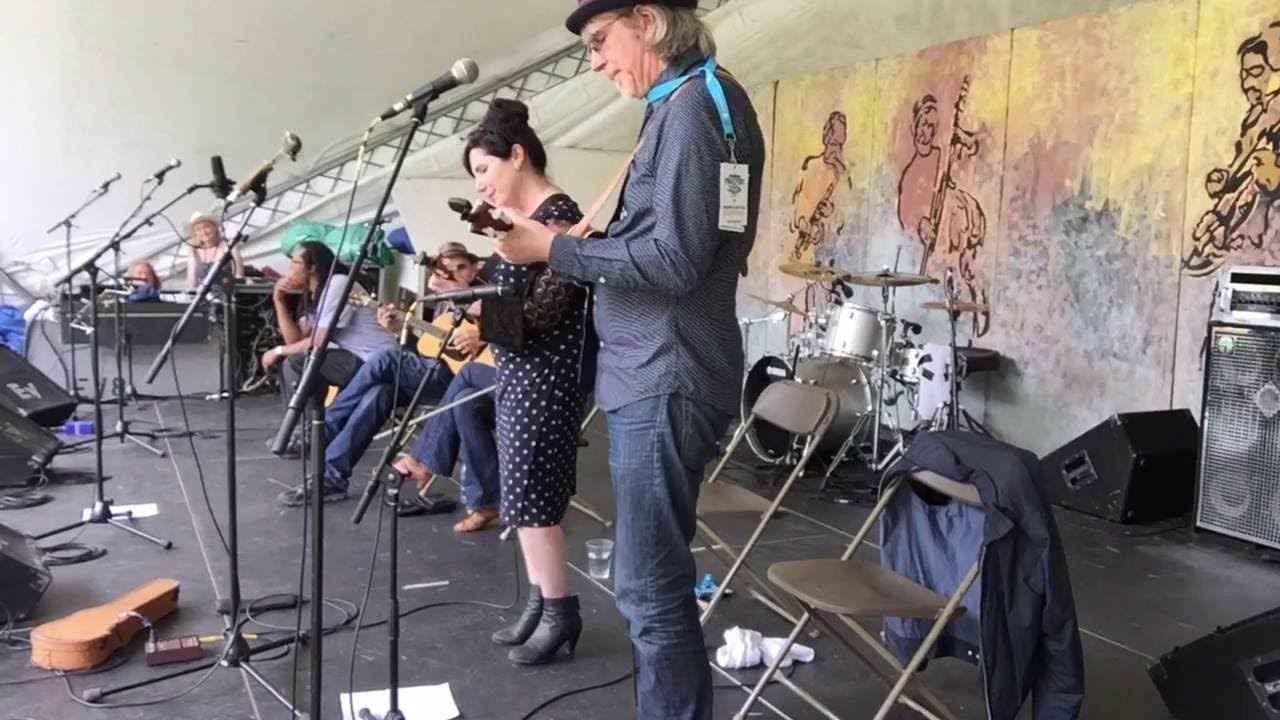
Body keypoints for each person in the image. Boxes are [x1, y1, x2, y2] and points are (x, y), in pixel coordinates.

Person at [494, 3, 765, 716]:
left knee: (649, 589)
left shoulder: (692, 111)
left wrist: (554, 248)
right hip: (657, 371)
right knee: (652, 582)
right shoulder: (692, 101)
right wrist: (587, 243)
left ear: (645, 19)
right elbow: (684, 242)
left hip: (664, 374)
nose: (594, 60)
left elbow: (675, 261)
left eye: (598, 41)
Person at [462, 98, 593, 666]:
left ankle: (561, 611)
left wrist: (483, 314)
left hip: (549, 374)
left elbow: (544, 312)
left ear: (517, 157)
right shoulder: (518, 226)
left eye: (484, 171)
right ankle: (542, 601)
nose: (481, 185)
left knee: (534, 498)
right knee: (518, 494)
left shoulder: (561, 219)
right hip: (518, 371)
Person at [280, 243, 485, 507]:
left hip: (464, 382)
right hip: (434, 373)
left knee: (386, 358)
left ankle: (326, 427)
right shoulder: (443, 301)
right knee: (379, 393)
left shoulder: (487, 298)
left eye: (462, 267)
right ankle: (330, 478)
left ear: (475, 268)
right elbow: (435, 346)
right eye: (448, 269)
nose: (455, 273)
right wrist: (400, 327)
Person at [263, 241, 396, 464]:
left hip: (375, 361)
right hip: (355, 358)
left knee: (298, 362)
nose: (289, 268)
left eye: (294, 262)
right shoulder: (318, 292)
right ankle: (308, 432)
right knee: (298, 361)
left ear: (312, 267)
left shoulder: (338, 284)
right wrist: (279, 302)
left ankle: (307, 434)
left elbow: (317, 341)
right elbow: (296, 340)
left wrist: (276, 350)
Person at [391, 361, 499, 530]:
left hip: (543, 385)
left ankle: (422, 461)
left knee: (469, 370)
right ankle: (487, 503)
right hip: (515, 378)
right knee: (465, 401)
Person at [185, 211, 244, 289]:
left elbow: (239, 276)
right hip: (204, 294)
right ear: (195, 233)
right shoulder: (194, 251)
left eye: (206, 227)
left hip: (227, 292)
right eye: (198, 229)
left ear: (215, 227)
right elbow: (191, 279)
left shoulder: (229, 246)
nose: (203, 232)